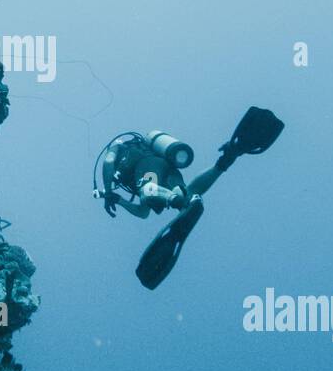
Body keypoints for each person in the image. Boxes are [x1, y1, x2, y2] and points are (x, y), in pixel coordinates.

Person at [95, 107, 285, 289]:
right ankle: (223, 164)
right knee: (186, 192)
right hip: (168, 169)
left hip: (147, 165)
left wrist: (108, 191)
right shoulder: (144, 158)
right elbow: (143, 212)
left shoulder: (118, 147)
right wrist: (118, 200)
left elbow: (109, 162)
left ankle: (177, 200)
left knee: (147, 191)